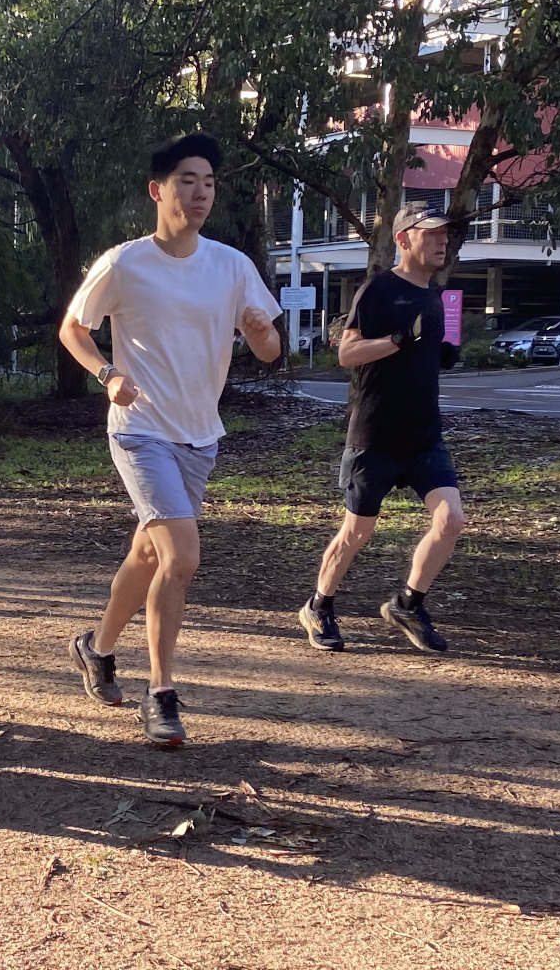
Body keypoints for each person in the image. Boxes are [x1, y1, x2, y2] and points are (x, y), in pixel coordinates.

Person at [59, 134, 282, 747]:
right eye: (188, 180)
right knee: (182, 556)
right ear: (158, 190)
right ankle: (161, 695)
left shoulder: (233, 266)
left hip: (199, 436)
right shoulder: (125, 262)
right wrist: (106, 374)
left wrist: (262, 332)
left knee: (152, 554)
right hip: (140, 431)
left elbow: (270, 351)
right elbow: (74, 329)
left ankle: (96, 647)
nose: (200, 192)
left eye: (208, 181)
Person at [298, 202, 464, 656]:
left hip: (424, 435)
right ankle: (318, 605)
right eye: (430, 234)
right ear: (403, 238)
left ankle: (408, 604)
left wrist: (440, 353)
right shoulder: (378, 290)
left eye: (444, 235)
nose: (441, 241)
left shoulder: (432, 292)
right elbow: (347, 354)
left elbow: (421, 352)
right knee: (357, 533)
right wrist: (395, 341)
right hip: (375, 438)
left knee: (451, 519)